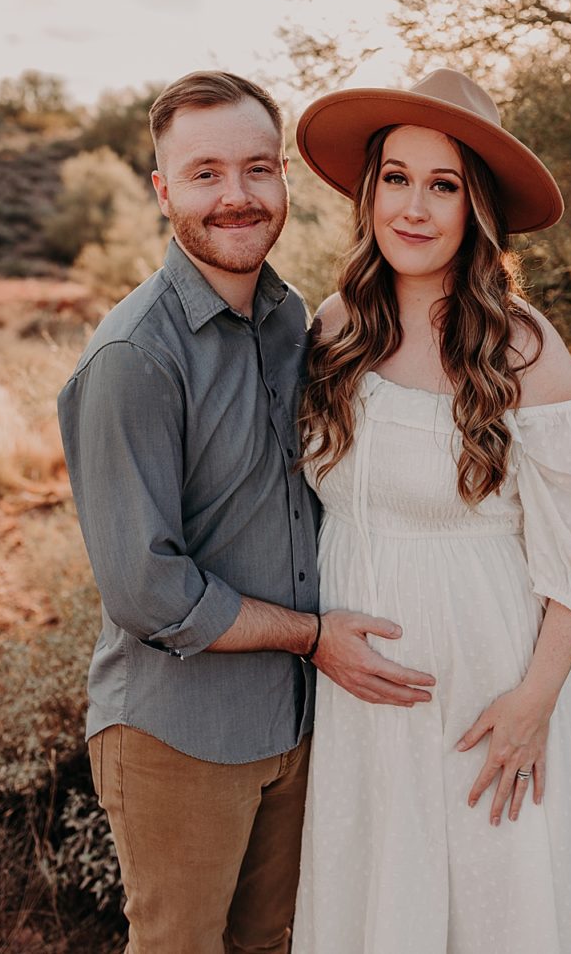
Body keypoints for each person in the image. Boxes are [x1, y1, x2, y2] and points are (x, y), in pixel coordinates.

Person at [57, 70, 435, 954]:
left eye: (258, 169)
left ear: (283, 182)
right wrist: (311, 635)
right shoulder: (132, 359)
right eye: (205, 174)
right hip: (177, 733)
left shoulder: (288, 318)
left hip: (298, 723)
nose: (237, 196)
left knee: (271, 945)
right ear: (162, 191)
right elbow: (147, 591)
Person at [289, 68, 571, 952]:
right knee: (376, 902)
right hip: (358, 697)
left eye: (442, 184)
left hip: (490, 681)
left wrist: (535, 699)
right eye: (397, 178)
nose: (414, 206)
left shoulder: (520, 345)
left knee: (498, 909)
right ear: (370, 192)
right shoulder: (334, 328)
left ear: (475, 205)